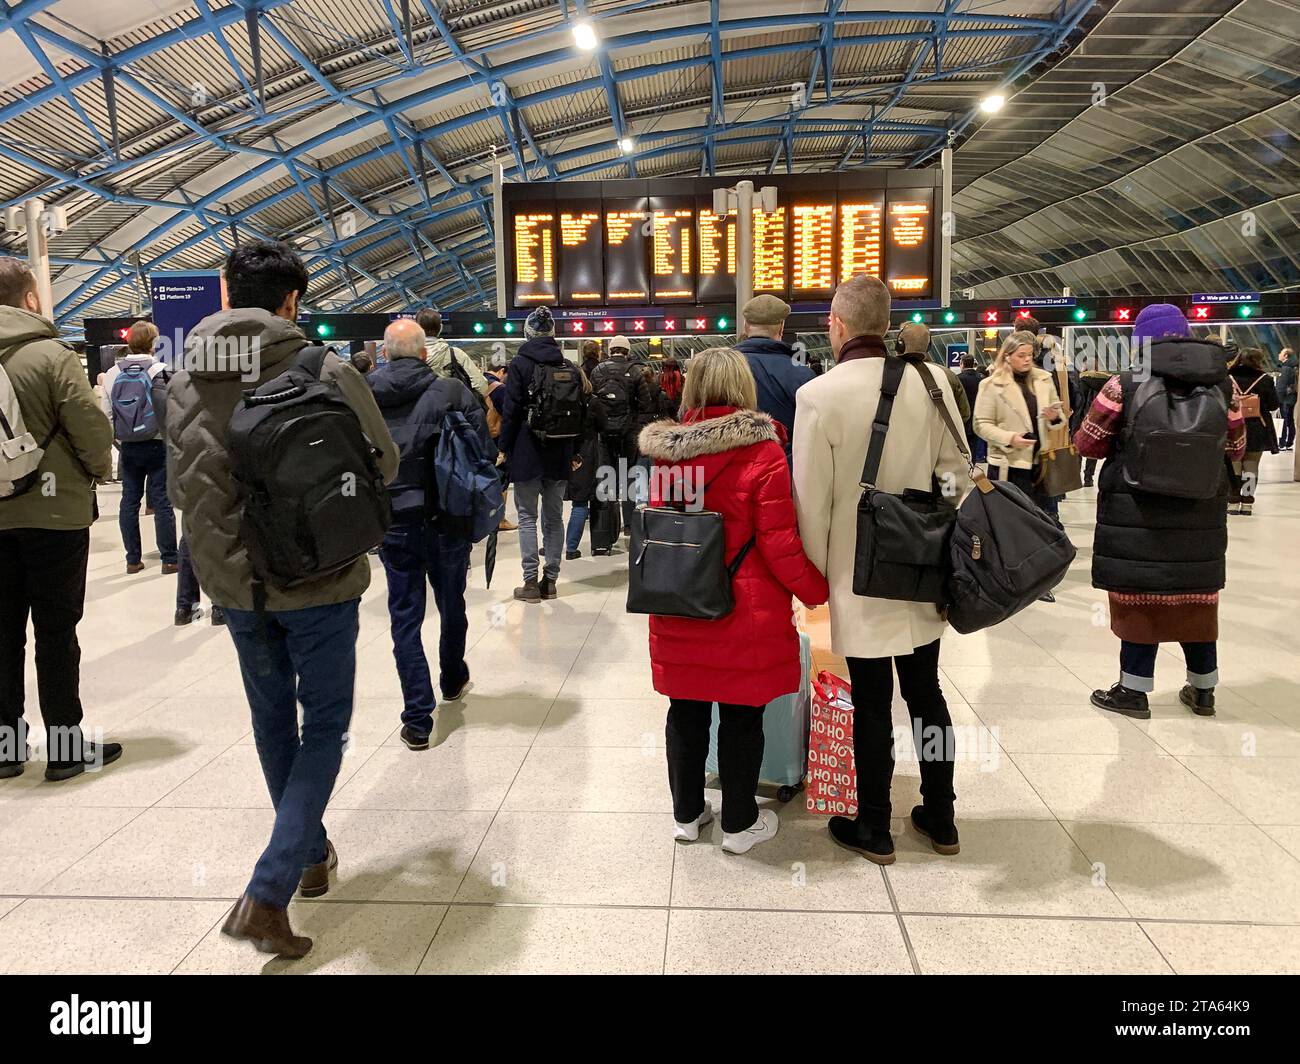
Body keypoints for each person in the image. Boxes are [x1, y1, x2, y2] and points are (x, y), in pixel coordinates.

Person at [166, 240, 398, 958]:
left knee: (272, 721)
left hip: (234, 583)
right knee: (324, 723)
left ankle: (311, 852)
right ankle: (269, 890)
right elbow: (382, 459)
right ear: (293, 301)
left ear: (227, 294)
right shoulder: (321, 365)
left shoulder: (187, 373)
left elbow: (178, 485)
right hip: (317, 576)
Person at [793, 275, 970, 865]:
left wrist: (819, 579)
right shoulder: (933, 380)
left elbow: (810, 503)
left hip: (857, 571)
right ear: (888, 324)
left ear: (837, 326)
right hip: (922, 567)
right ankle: (941, 816)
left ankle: (874, 826)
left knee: (870, 700)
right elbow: (956, 479)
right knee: (927, 695)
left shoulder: (819, 395)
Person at [638, 347, 828, 854]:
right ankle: (739, 825)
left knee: (686, 707)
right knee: (742, 714)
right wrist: (818, 591)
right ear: (744, 388)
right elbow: (779, 542)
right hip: (743, 607)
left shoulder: (666, 453)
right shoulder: (762, 453)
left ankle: (687, 815)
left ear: (693, 388)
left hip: (678, 600)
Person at [1076, 304, 1244, 719]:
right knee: (1197, 600)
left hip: (1137, 515)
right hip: (1200, 515)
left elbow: (1087, 443)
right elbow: (1237, 448)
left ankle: (1133, 692)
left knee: (1140, 596)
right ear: (1187, 335)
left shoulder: (1124, 385)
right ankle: (1203, 689)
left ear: (1141, 342)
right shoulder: (1225, 386)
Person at [0, 257, 119, 782]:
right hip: (54, 513)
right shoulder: (50, 354)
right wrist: (97, 472)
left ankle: (4, 748)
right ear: (29, 299)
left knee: (2, 634)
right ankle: (66, 747)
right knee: (55, 632)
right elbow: (89, 428)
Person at [368, 318, 489, 750]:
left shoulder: (364, 396)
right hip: (446, 519)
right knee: (451, 602)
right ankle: (452, 677)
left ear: (384, 353)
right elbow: (484, 454)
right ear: (424, 354)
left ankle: (418, 718)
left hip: (394, 522)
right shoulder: (453, 392)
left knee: (405, 617)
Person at [973, 328, 1068, 580]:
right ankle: (1010, 572)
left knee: (1043, 521)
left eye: (1030, 355)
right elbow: (980, 424)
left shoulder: (1043, 379)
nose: (1027, 359)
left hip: (1040, 464)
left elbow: (1058, 419)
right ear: (1007, 356)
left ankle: (1039, 576)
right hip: (1009, 465)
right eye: (1022, 355)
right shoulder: (991, 385)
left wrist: (1055, 417)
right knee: (1010, 523)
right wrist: (1009, 438)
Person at [499, 306, 575, 602]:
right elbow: (578, 415)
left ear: (528, 333)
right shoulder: (567, 366)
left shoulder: (519, 364)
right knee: (554, 518)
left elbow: (512, 410)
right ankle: (551, 581)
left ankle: (529, 582)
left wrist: (504, 448)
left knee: (527, 517)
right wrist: (575, 451)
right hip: (559, 450)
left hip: (527, 450)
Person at [101, 320, 178, 575]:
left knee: (129, 500)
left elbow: (106, 413)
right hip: (157, 443)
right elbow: (173, 409)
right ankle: (169, 559)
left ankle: (132, 560)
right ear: (154, 343)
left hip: (129, 448)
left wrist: (120, 441)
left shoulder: (113, 373)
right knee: (162, 501)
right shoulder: (161, 370)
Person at [735, 293, 813, 462]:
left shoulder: (719, 368)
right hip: (782, 472)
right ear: (781, 327)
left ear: (746, 326)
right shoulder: (801, 374)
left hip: (731, 471)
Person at [590, 333, 656, 535]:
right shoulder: (635, 372)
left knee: (606, 476)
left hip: (604, 432)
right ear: (628, 351)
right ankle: (629, 525)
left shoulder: (598, 370)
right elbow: (646, 405)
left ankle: (607, 527)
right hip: (628, 432)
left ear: (610, 350)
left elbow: (591, 402)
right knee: (629, 476)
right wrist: (636, 426)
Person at [562, 367, 609, 561]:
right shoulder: (592, 401)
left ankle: (552, 545)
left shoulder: (563, 401)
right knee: (583, 502)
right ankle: (573, 547)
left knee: (553, 504)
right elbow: (603, 425)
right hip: (587, 454)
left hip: (565, 453)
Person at [1227, 346, 1280, 516]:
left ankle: (1233, 501)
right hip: (1257, 427)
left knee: (1234, 464)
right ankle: (1247, 502)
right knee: (1251, 466)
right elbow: (1273, 405)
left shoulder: (1229, 378)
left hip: (1234, 426)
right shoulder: (1265, 379)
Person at [416, 308, 490, 399]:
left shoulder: (407, 355)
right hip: (450, 409)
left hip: (415, 410)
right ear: (440, 327)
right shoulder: (455, 354)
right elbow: (480, 384)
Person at [1073, 352, 1112, 487]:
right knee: (1091, 447)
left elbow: (1078, 400)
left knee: (1077, 447)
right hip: (1095, 418)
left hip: (1080, 417)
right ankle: (1088, 478)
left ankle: (1076, 477)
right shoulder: (1104, 380)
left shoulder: (1080, 379)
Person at [956, 354, 987, 462]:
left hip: (962, 418)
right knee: (974, 446)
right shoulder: (981, 379)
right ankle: (972, 466)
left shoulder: (958, 379)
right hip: (977, 418)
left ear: (962, 364)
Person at [1277, 347, 1295, 451]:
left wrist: (1277, 400)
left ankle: (1282, 443)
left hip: (1284, 399)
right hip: (1291, 398)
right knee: (1290, 420)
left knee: (1283, 420)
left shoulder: (1285, 368)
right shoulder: (1292, 367)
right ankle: (1289, 442)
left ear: (1286, 356)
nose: (1279, 354)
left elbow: (1281, 386)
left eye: (1281, 353)